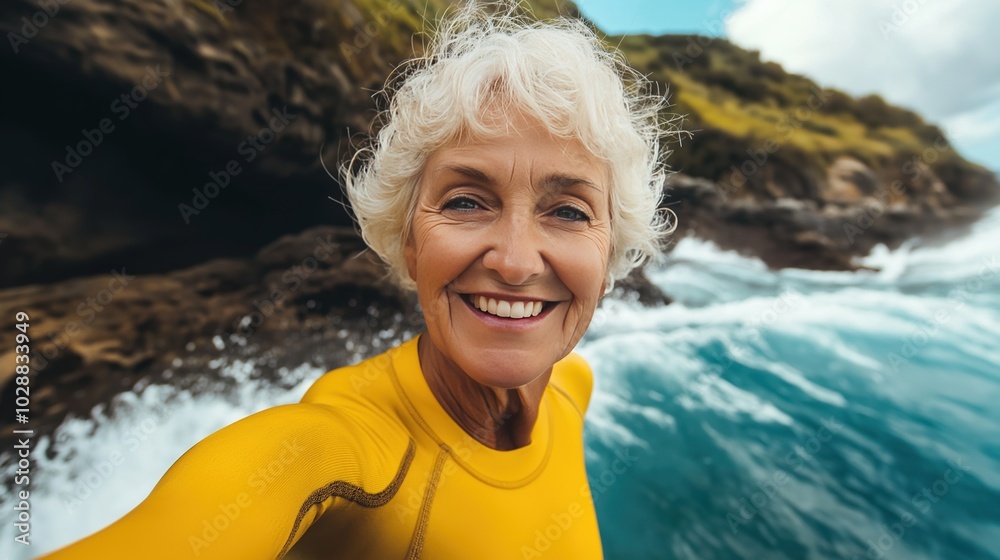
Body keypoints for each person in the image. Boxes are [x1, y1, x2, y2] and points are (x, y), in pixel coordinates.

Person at [39, 1, 673, 558]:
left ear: (611, 248)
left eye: (567, 211)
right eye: (465, 201)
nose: (514, 261)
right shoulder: (341, 456)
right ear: (407, 236)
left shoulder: (573, 385)